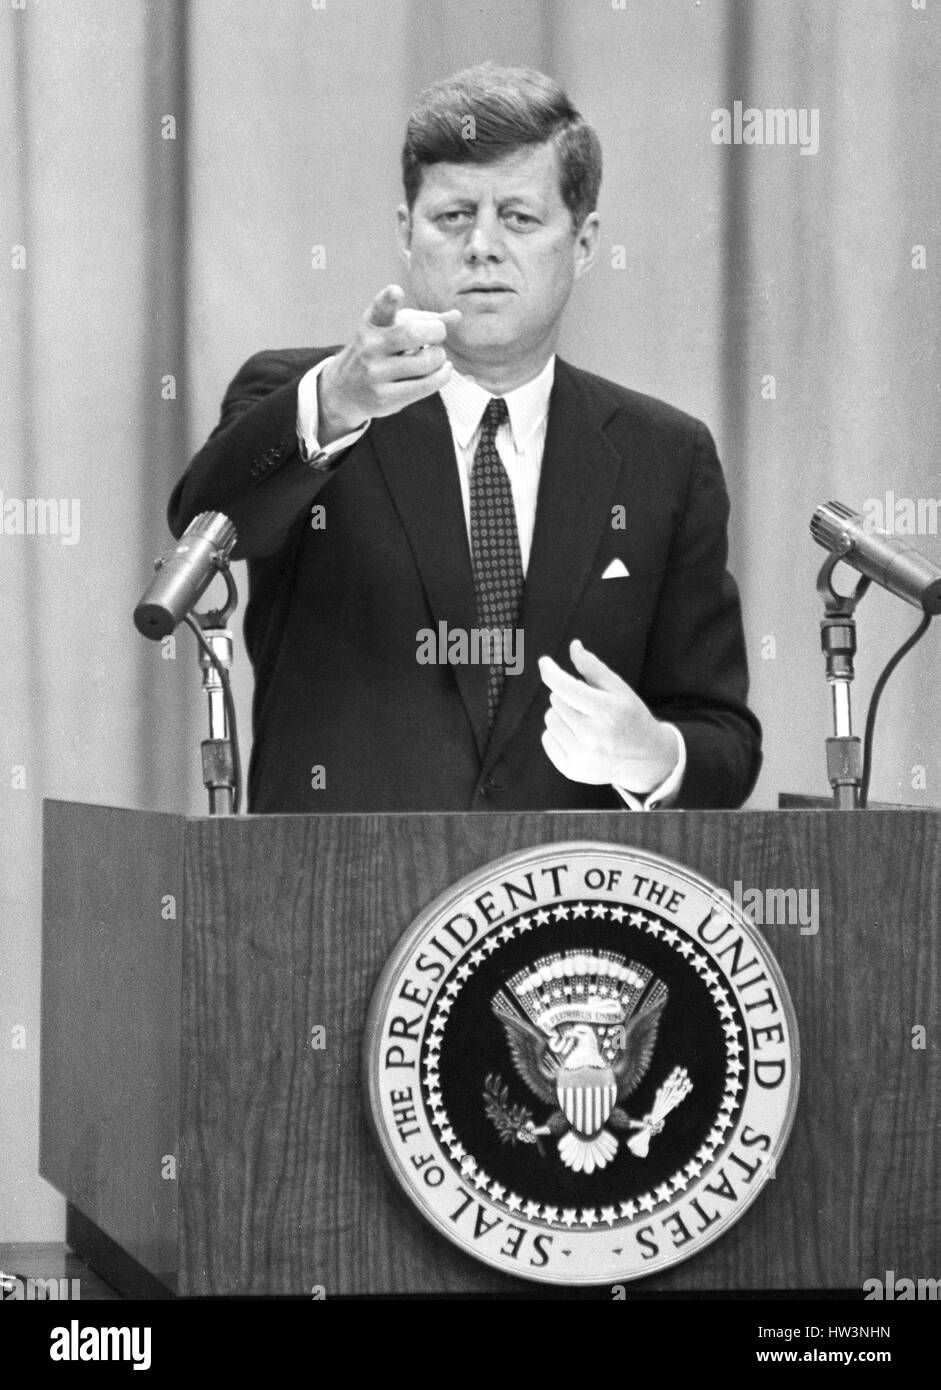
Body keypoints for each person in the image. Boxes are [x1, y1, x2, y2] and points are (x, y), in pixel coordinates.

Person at [168, 62, 761, 815]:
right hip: (332, 903)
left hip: (567, 909)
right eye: (452, 217)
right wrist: (338, 402)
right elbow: (204, 526)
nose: (481, 246)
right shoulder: (308, 400)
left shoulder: (664, 458)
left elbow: (724, 742)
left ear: (581, 244)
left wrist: (652, 754)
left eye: (518, 217)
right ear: (405, 233)